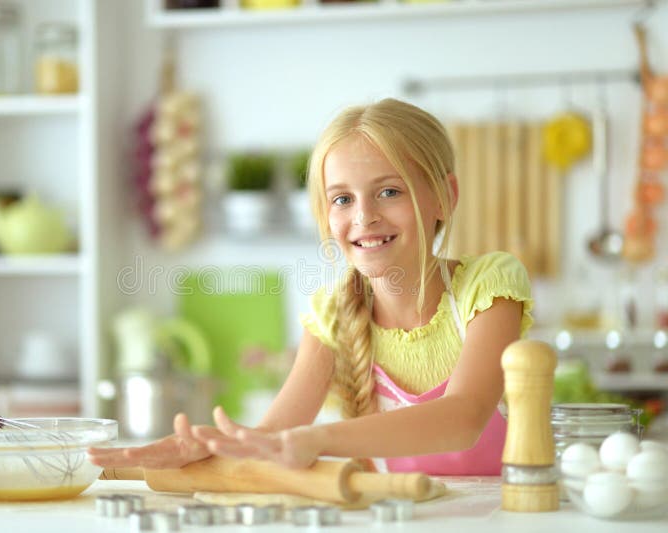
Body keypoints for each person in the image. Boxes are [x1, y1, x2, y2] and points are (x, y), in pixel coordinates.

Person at [89, 98, 533, 475]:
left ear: (444, 195)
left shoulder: (488, 286)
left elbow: (463, 417)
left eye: (389, 191)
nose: (363, 217)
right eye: (342, 199)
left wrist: (317, 439)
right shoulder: (333, 314)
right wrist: (217, 447)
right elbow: (274, 435)